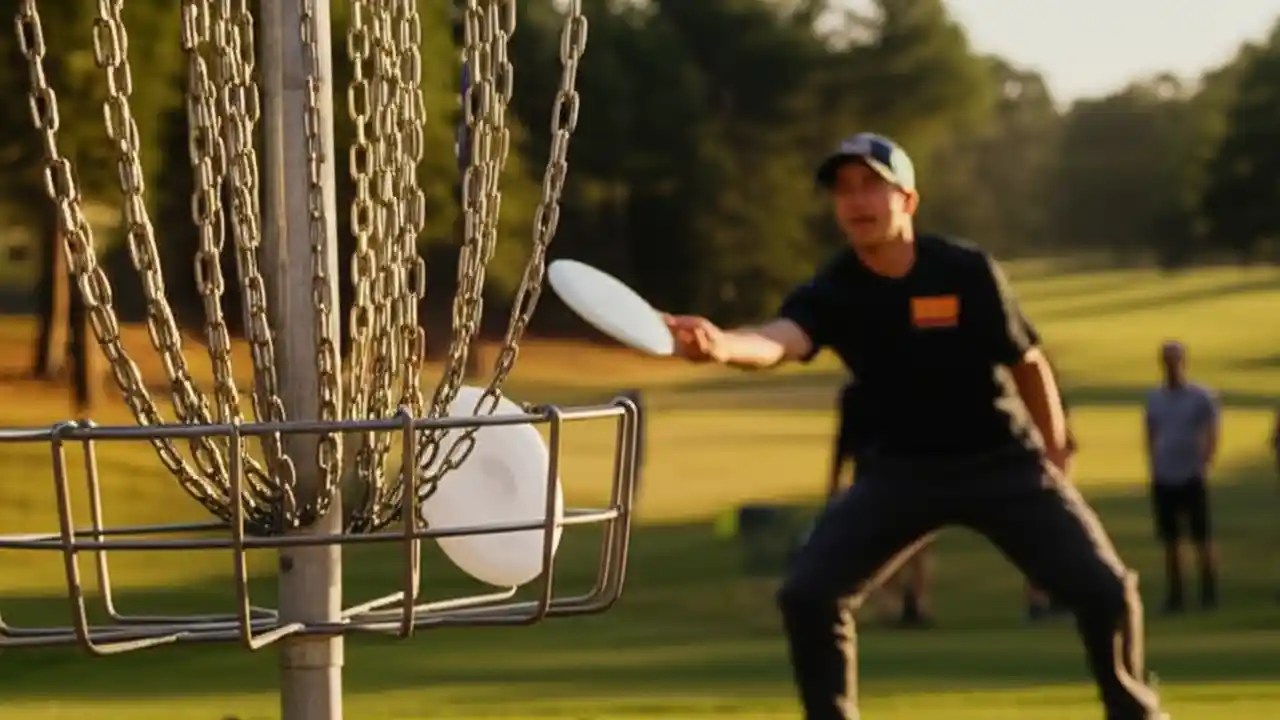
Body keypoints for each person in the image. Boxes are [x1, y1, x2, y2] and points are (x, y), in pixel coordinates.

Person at [662, 132, 1164, 720]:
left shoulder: (965, 269)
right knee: (808, 594)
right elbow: (779, 340)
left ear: (908, 200)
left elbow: (1027, 361)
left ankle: (1135, 711)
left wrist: (1054, 451)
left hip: (1000, 462)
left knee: (1105, 589)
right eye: (844, 190)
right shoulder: (835, 288)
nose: (856, 201)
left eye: (872, 184)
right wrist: (722, 344)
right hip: (900, 472)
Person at [829, 382, 934, 628]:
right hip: (896, 475)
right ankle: (908, 604)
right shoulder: (906, 389)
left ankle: (904, 604)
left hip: (884, 475)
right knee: (909, 547)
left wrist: (834, 482)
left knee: (900, 546)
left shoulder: (857, 393)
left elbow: (843, 442)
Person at [1144, 340, 1220, 613]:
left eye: (1175, 361)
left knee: (1201, 537)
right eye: (1167, 361)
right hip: (1164, 474)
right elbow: (1150, 431)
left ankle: (1209, 592)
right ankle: (1176, 594)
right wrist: (1152, 463)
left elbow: (1212, 430)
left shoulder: (1201, 396)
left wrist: (1206, 460)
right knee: (1170, 540)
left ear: (1183, 362)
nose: (1171, 366)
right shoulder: (1155, 397)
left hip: (1191, 473)